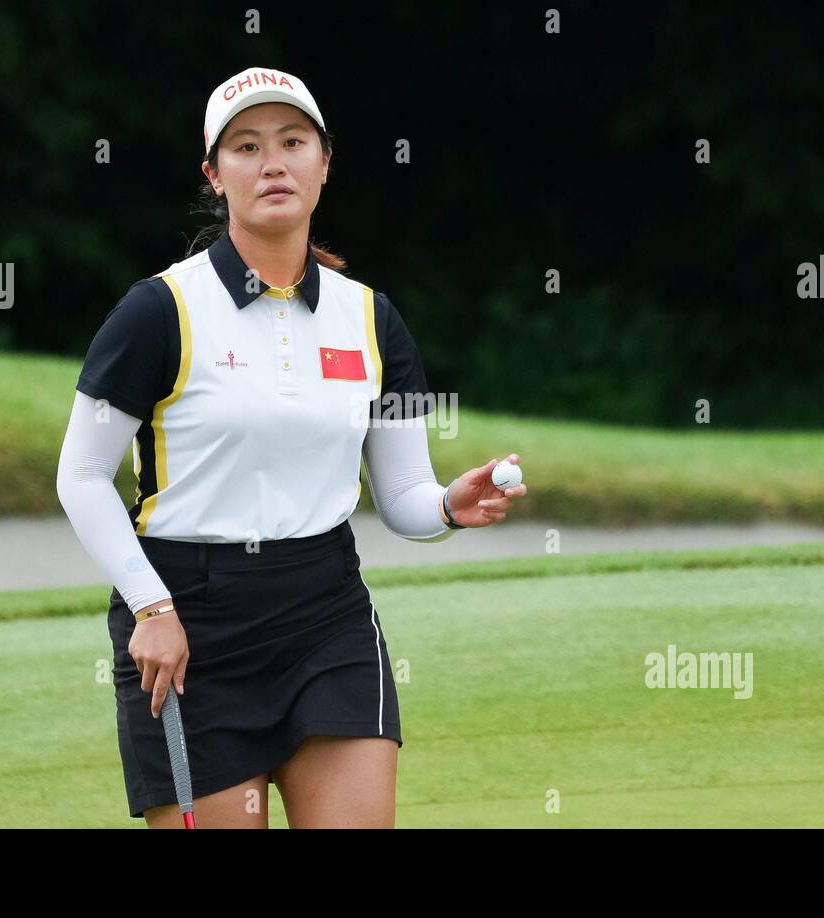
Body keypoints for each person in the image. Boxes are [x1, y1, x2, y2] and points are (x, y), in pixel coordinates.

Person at [56, 66, 528, 828]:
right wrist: (151, 607)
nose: (273, 162)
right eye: (245, 147)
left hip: (325, 613)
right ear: (214, 175)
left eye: (292, 141)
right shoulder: (157, 311)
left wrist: (447, 504)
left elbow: (403, 497)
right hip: (188, 620)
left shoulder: (373, 319)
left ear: (324, 162)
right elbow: (80, 476)